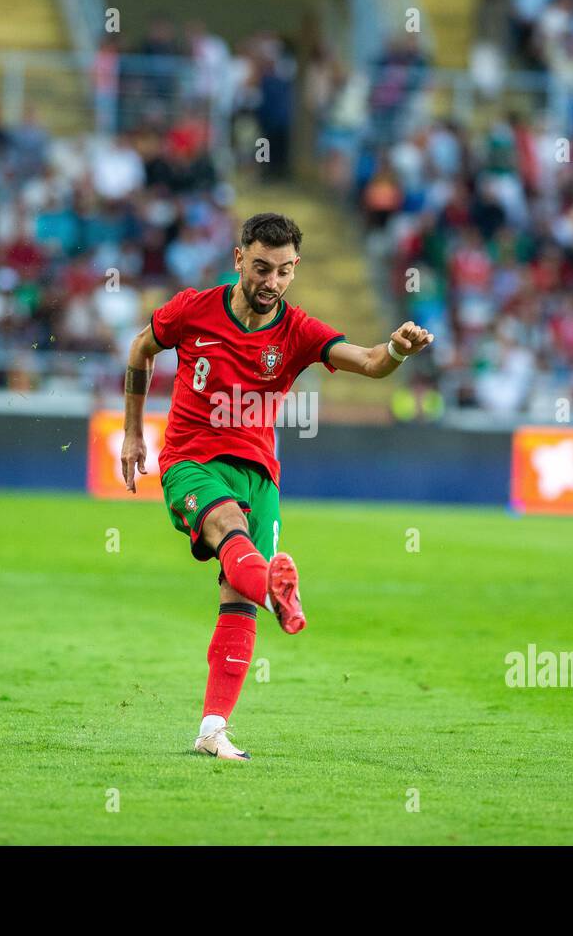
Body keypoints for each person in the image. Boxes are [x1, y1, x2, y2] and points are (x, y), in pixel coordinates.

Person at [121, 212, 433, 760]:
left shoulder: (297, 331)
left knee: (237, 598)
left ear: (296, 268)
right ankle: (274, 592)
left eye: (285, 271)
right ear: (239, 258)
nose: (272, 282)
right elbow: (141, 349)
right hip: (191, 460)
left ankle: (212, 730)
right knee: (227, 525)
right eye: (262, 268)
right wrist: (131, 433)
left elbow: (369, 362)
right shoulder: (193, 309)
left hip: (260, 475)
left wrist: (398, 350)